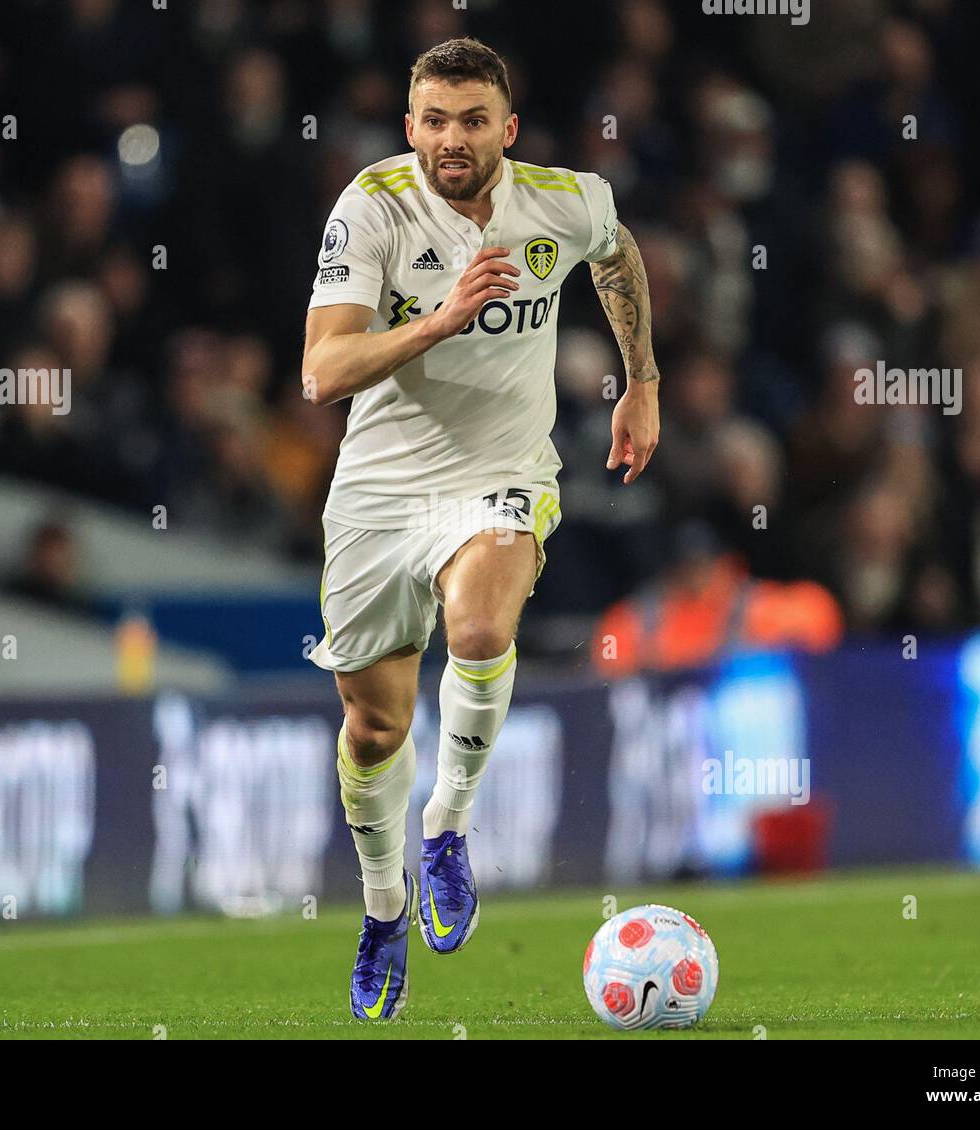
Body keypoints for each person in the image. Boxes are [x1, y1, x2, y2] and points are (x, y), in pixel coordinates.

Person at [302, 37, 661, 1020]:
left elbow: (616, 250)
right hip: (377, 490)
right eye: (433, 120)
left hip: (497, 473)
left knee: (480, 628)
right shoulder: (371, 206)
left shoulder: (562, 199)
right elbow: (321, 372)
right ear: (408, 125)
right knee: (374, 723)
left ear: (505, 128)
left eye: (471, 120)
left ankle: (447, 828)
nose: (450, 139)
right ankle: (384, 909)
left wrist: (642, 382)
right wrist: (439, 318)